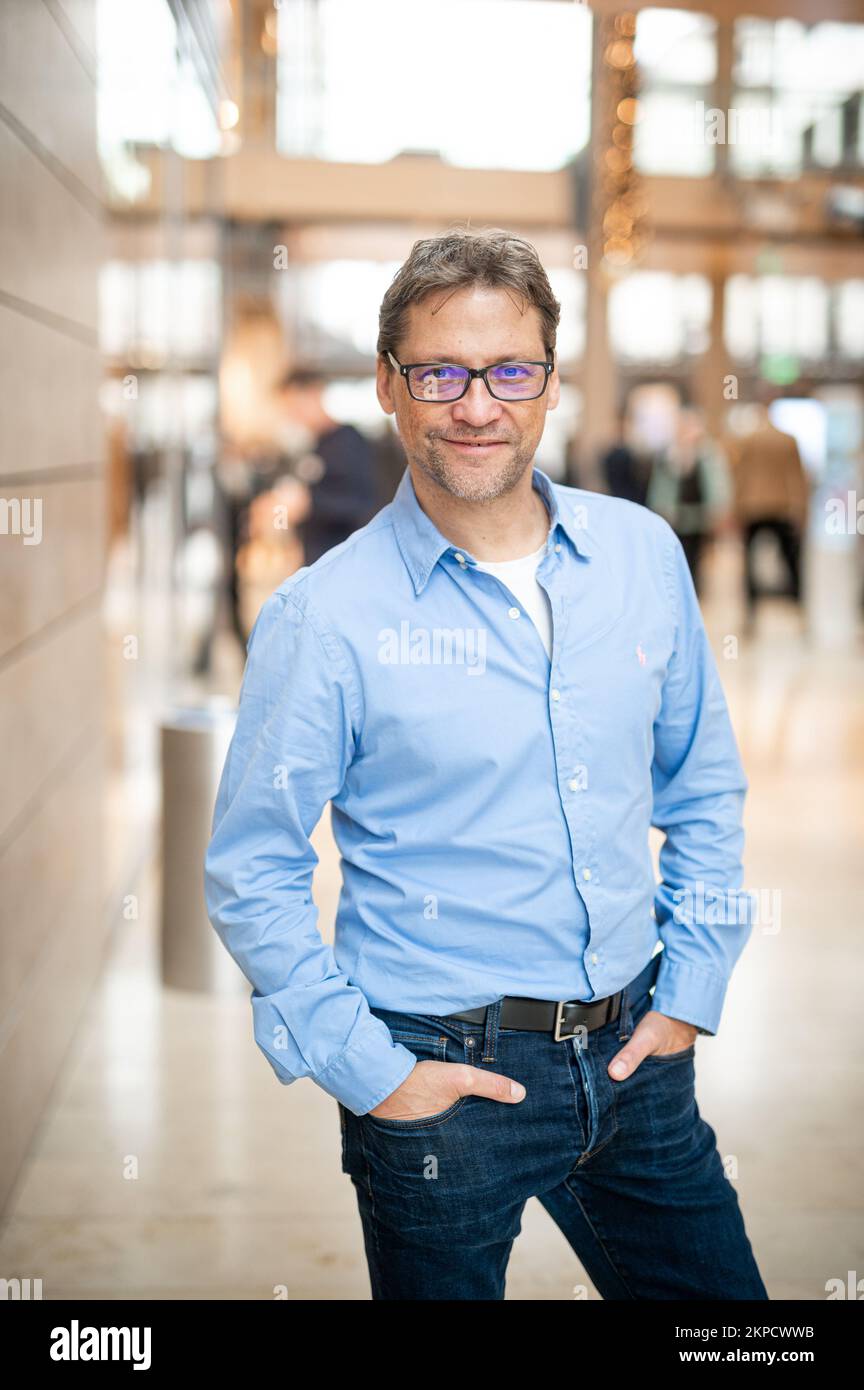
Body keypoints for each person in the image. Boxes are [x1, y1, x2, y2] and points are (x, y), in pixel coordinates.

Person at [204, 227, 767, 1302]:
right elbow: (252, 868)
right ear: (389, 384)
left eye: (510, 369)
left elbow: (702, 785)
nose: (477, 404)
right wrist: (370, 1072)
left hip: (640, 1058)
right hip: (438, 1077)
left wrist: (692, 987)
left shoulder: (642, 555)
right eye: (439, 372)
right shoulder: (325, 617)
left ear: (549, 382)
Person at [274, 367, 379, 564]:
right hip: (317, 562)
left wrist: (309, 503)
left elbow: (362, 504)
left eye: (296, 407)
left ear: (316, 394)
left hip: (346, 561)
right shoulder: (314, 446)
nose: (293, 417)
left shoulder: (348, 442)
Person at [727, 402, 809, 624]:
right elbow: (798, 476)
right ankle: (799, 606)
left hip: (751, 507)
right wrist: (801, 509)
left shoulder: (746, 440)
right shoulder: (787, 440)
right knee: (791, 560)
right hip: (781, 506)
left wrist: (734, 509)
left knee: (749, 563)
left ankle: (750, 612)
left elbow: (738, 476)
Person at [646, 406, 732, 595]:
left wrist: (719, 509)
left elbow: (718, 483)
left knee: (697, 556)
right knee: (676, 554)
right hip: (675, 514)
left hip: (700, 514)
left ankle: (694, 590)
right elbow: (660, 485)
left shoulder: (708, 453)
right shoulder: (669, 453)